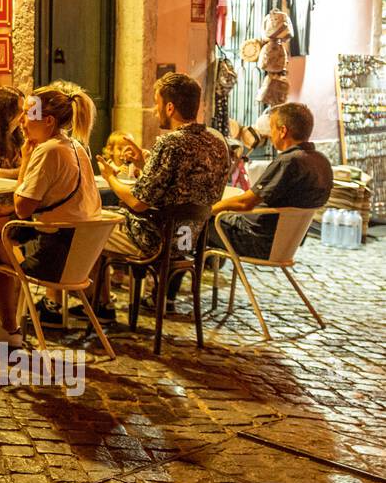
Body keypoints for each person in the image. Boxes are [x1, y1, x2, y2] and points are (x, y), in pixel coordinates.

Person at [96, 72, 230, 319]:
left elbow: (138, 201)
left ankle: (100, 306)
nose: (156, 112)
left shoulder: (170, 143)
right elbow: (182, 186)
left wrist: (110, 177)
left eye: (157, 105)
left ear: (169, 106)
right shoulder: (217, 142)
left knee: (90, 230)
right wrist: (146, 160)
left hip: (156, 240)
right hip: (188, 239)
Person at [0, 86, 103, 342]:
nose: (22, 122)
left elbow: (23, 206)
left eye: (27, 114)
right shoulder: (76, 147)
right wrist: (10, 209)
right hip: (81, 256)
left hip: (51, 258)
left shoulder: (47, 151)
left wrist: (25, 158)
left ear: (48, 121)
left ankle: (8, 328)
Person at [208, 102, 332, 258]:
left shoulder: (289, 162)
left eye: (272, 128)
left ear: (283, 131)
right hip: (285, 244)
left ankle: (178, 274)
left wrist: (208, 209)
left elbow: (245, 203)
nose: (270, 135)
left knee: (198, 223)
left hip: (256, 240)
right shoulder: (322, 162)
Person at [0, 86, 28, 179]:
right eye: (19, 111)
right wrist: (22, 171)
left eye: (24, 111)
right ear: (4, 112)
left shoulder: (17, 134)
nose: (23, 116)